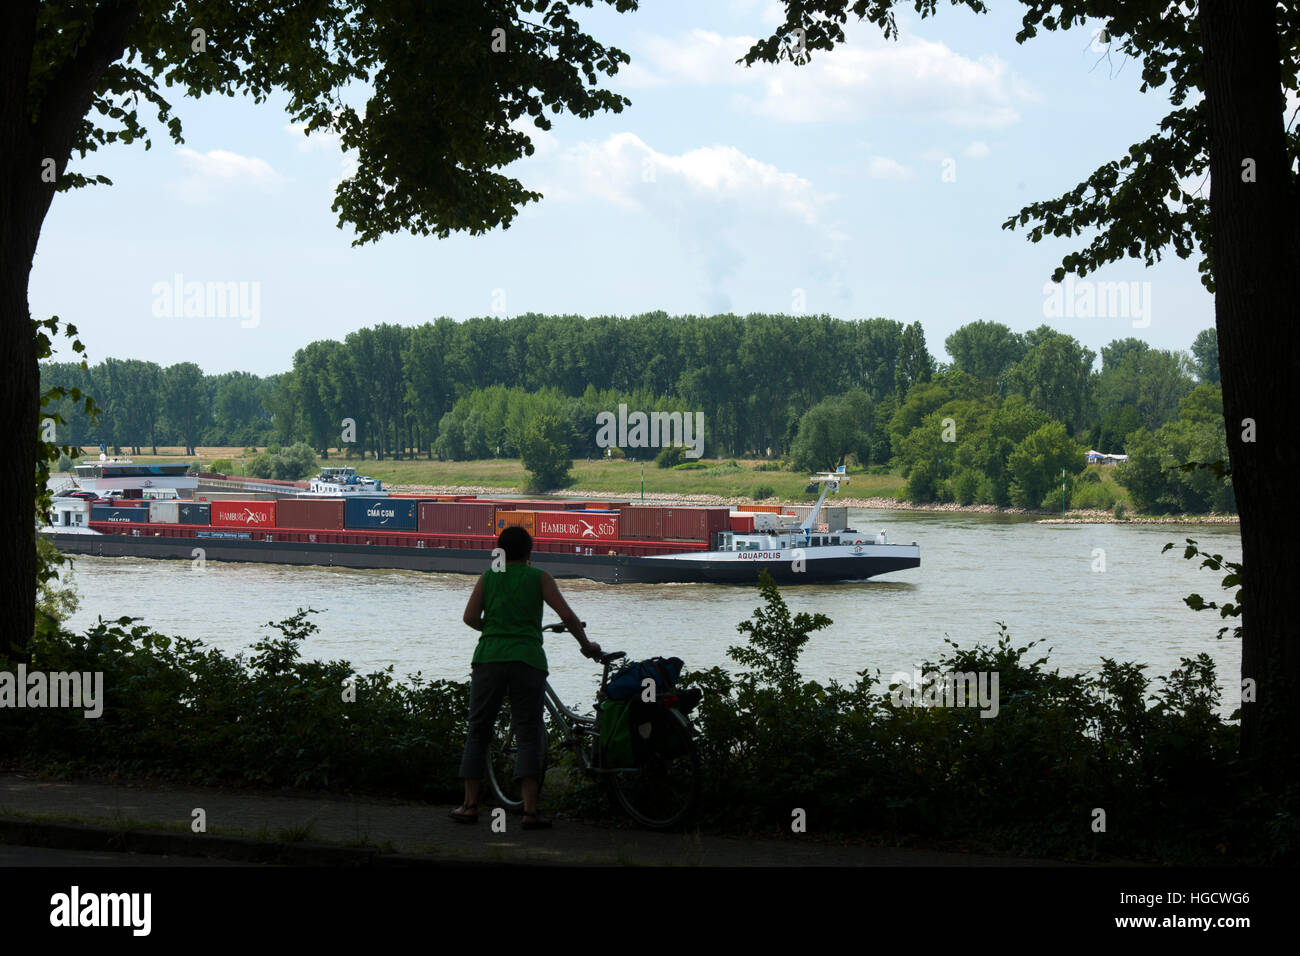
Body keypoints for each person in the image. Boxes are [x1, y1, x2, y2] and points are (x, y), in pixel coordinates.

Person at [451, 526, 600, 829]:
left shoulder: (489, 577)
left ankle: (469, 806)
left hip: (489, 659)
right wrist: (587, 647)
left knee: (479, 729)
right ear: (530, 551)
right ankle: (531, 812)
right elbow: (568, 617)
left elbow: (469, 618)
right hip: (528, 661)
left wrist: (495, 629)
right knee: (528, 733)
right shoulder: (539, 577)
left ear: (500, 552)